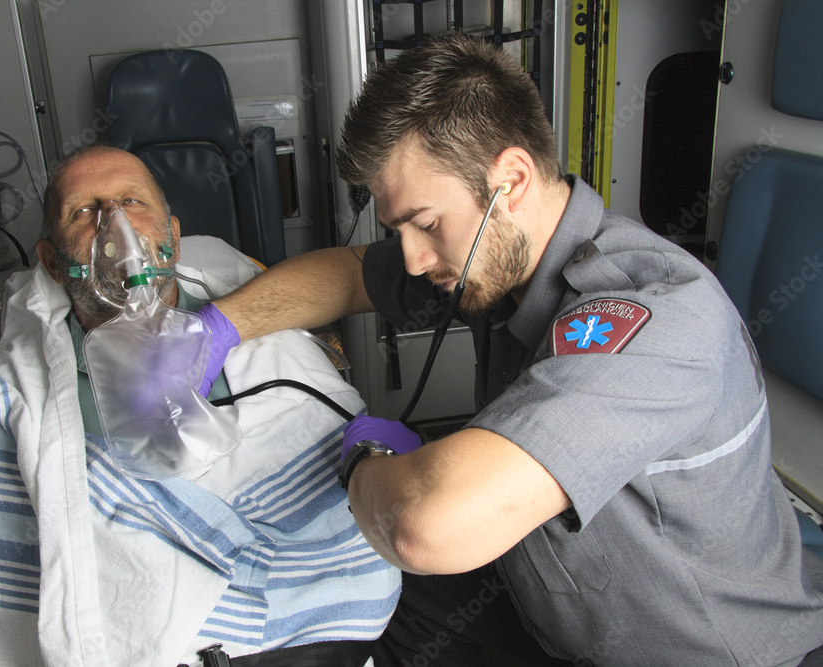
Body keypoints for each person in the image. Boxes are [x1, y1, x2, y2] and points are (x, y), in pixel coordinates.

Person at [196, 34, 823, 666]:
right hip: (545, 601)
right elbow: (347, 274)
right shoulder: (494, 257)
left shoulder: (656, 318)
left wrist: (362, 461)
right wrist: (214, 328)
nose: (412, 257)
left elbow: (425, 526)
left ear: (512, 181)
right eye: (398, 230)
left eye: (425, 223)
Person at [0, 146, 400, 667]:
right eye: (84, 212)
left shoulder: (246, 315)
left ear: (170, 236)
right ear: (54, 262)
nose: (115, 226)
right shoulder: (6, 403)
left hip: (329, 638)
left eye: (131, 201)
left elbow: (359, 276)